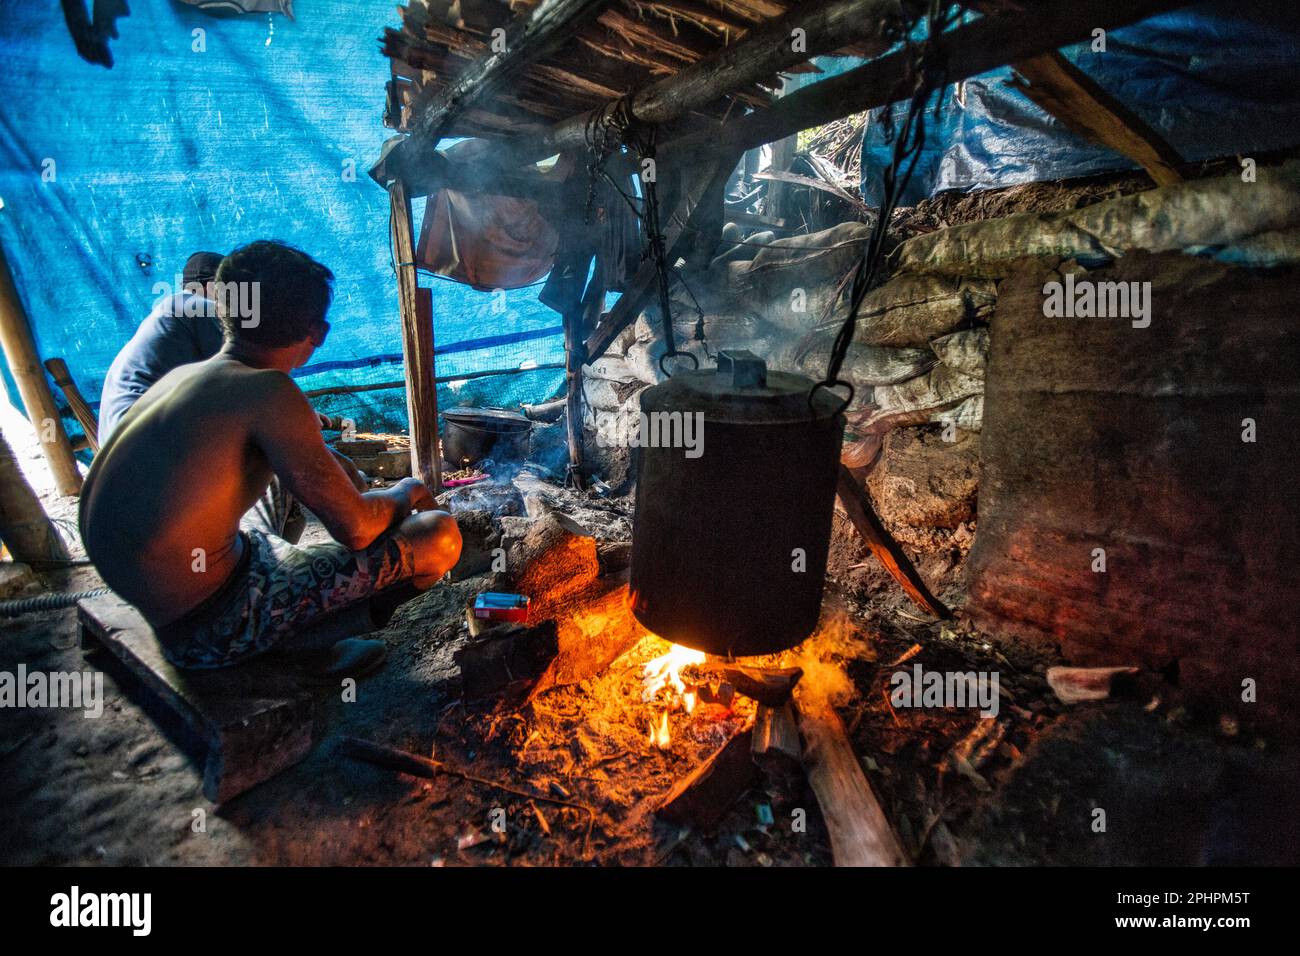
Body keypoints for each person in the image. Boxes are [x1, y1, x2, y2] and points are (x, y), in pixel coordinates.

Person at [79, 240, 461, 675]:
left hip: (163, 597)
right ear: (318, 333)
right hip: (206, 628)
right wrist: (405, 491)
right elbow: (355, 530)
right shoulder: (271, 391)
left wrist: (350, 481)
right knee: (439, 535)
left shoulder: (187, 376)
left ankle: (289, 620)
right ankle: (301, 646)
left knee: (310, 470)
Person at [98, 251, 225, 442]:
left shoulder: (171, 311)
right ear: (211, 286)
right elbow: (235, 372)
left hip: (115, 437)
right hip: (138, 433)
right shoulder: (199, 306)